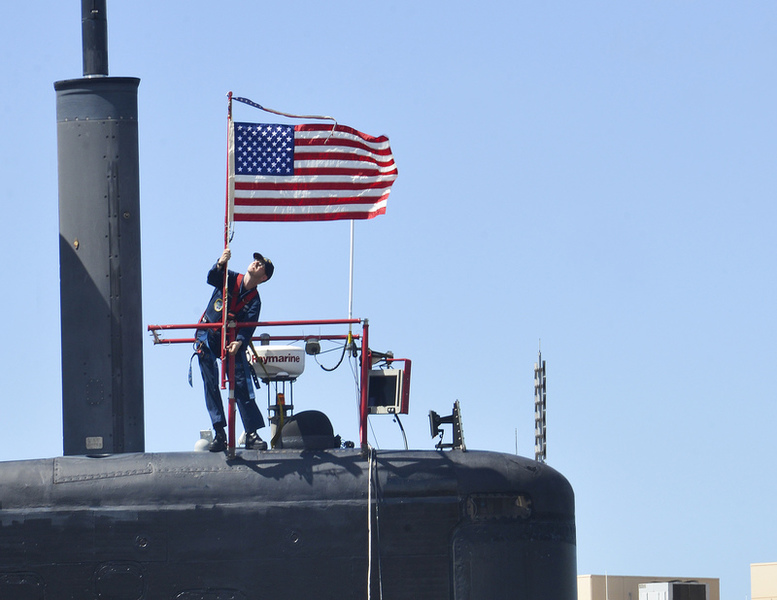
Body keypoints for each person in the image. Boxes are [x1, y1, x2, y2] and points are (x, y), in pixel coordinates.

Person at [195, 248, 275, 452]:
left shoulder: (255, 301)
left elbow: (249, 326)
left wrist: (239, 342)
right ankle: (220, 432)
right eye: (255, 261)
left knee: (241, 381)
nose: (255, 263)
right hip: (208, 335)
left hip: (231, 341)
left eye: (260, 265)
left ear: (264, 277)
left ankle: (251, 433)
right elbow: (212, 277)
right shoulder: (229, 277)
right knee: (210, 382)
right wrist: (220, 263)